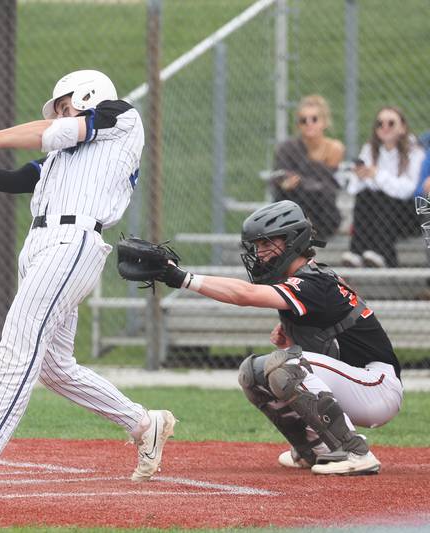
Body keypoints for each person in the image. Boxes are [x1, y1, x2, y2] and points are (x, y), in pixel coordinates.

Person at [0, 69, 176, 490]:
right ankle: (142, 422)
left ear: (88, 96)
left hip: (73, 241)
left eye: (67, 106)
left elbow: (52, 130)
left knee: (19, 340)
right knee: (54, 366)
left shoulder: (120, 117)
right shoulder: (64, 155)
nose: (62, 115)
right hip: (40, 245)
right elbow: (16, 181)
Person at [127, 200, 402, 475]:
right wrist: (296, 342)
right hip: (357, 381)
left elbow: (245, 295)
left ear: (293, 241)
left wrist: (181, 277)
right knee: (253, 373)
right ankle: (316, 450)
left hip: (376, 385)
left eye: (267, 244)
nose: (259, 253)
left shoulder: (315, 282)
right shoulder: (307, 278)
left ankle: (355, 451)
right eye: (257, 246)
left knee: (284, 367)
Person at [342, 106, 425, 268]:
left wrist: (377, 175)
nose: (385, 127)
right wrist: (360, 176)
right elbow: (354, 190)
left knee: (383, 196)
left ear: (403, 128)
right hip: (378, 212)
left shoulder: (415, 152)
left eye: (391, 123)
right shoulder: (369, 149)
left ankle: (384, 255)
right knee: (366, 195)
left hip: (409, 214)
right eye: (380, 124)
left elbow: (409, 189)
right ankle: (357, 252)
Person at [271, 95, 344, 242]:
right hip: (294, 207)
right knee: (289, 192)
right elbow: (280, 175)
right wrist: (286, 183)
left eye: (314, 119)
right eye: (303, 120)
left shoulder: (334, 148)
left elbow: (325, 183)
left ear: (324, 122)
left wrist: (300, 179)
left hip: (322, 213)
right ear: (298, 124)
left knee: (313, 190)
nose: (309, 124)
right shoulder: (287, 148)